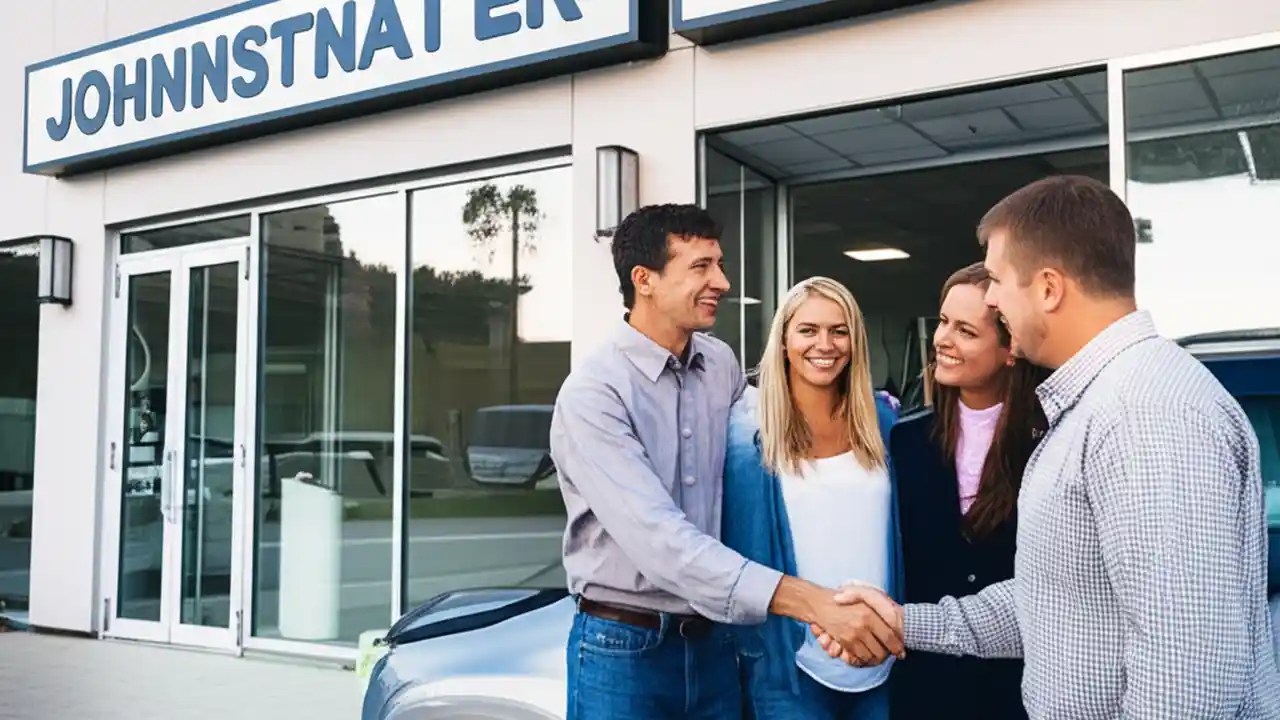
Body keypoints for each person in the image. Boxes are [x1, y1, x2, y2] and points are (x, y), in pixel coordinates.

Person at [823, 175, 1280, 718]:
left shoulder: (1145, 415)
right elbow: (1052, 600)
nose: (992, 298)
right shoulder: (1103, 404)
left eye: (996, 280)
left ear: (1048, 288)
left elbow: (1186, 677)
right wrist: (904, 623)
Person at [549, 204, 902, 720]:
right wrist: (814, 603)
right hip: (625, 650)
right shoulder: (595, 394)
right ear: (644, 280)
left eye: (719, 264)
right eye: (701, 266)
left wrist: (866, 408)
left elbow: (783, 423)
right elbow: (660, 540)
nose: (722, 281)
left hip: (715, 645)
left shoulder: (719, 364)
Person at [721, 276, 900, 720]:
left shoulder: (883, 422)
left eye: (839, 331)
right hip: (789, 668)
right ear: (783, 341)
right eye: (808, 330)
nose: (825, 344)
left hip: (881, 655)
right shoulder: (747, 436)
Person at [888, 262, 1048, 720]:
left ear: (1010, 349)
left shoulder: (1048, 441)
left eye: (965, 331)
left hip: (1018, 687)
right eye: (943, 322)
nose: (943, 339)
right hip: (927, 685)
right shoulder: (906, 440)